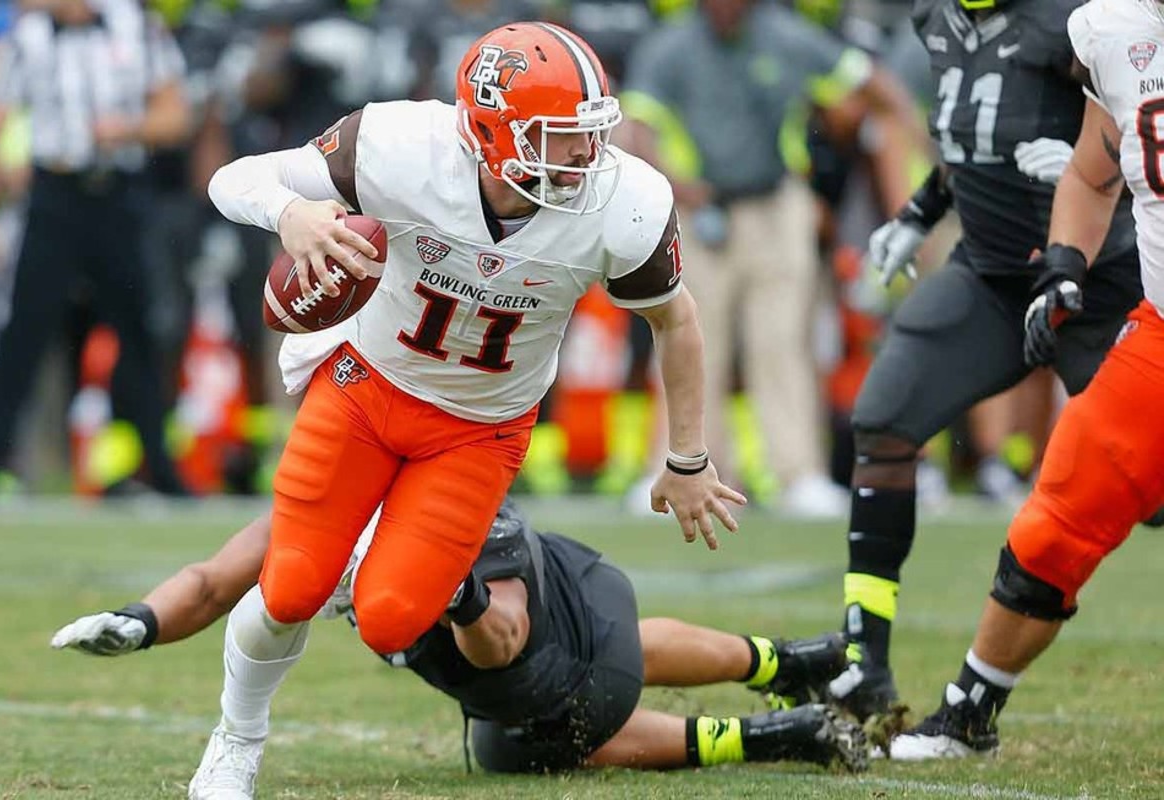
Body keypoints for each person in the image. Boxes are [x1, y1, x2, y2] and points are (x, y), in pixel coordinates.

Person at [192, 21, 745, 799]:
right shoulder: (398, 146)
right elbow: (231, 178)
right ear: (490, 132)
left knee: (389, 619)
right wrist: (292, 215)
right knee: (287, 592)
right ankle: (235, 742)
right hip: (365, 389)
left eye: (589, 135)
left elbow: (674, 320)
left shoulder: (625, 201)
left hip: (479, 432)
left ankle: (378, 550)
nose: (585, 158)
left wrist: (687, 457)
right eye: (559, 139)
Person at [818, 0, 1147, 722]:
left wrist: (1086, 165)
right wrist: (921, 210)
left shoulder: (1073, 21)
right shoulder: (934, 17)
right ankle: (862, 660)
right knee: (884, 420)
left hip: (1096, 282)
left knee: (1150, 498)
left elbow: (1129, 119)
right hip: (992, 275)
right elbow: (971, 133)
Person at [52, 499, 868, 781]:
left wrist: (455, 590)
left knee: (538, 732)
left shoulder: (456, 513)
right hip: (580, 627)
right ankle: (790, 664)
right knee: (533, 715)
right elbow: (209, 582)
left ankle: (763, 736)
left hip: (550, 658)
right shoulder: (324, 511)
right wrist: (142, 620)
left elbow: (503, 640)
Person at [620, 0, 925, 517]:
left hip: (777, 205)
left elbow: (865, 80)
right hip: (698, 211)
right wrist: (680, 187)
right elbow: (638, 130)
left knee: (782, 341)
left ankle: (796, 473)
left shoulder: (787, 36)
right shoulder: (669, 46)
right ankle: (682, 468)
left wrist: (915, 130)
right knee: (688, 342)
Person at [0, 0, 193, 496]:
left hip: (120, 195)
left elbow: (176, 117)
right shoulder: (26, 38)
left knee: (139, 331)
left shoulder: (140, 27)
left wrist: (128, 128)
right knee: (19, 333)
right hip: (54, 195)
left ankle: (159, 468)